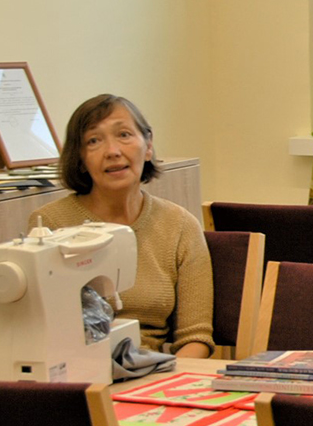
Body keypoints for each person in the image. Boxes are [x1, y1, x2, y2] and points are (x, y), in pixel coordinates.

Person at [29, 94, 214, 358]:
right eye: (94, 141)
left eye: (124, 135)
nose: (113, 151)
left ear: (148, 145)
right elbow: (42, 329)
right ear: (80, 158)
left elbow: (195, 337)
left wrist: (158, 386)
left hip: (153, 373)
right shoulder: (51, 224)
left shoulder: (180, 225)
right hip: (75, 369)